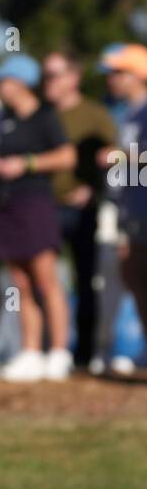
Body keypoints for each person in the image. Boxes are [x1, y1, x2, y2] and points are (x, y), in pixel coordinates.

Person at [0, 54, 76, 382]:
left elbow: (67, 156)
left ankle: (60, 351)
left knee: (46, 279)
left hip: (36, 203)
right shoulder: (6, 119)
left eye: (4, 80)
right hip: (8, 205)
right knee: (20, 282)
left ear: (21, 82)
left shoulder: (45, 116)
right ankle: (32, 350)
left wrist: (27, 164)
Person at [42, 51, 117, 370]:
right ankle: (47, 349)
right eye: (45, 76)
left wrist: (93, 189)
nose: (48, 83)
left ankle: (85, 353)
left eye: (54, 75)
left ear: (73, 77)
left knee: (87, 279)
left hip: (84, 209)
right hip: (44, 208)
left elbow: (116, 160)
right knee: (41, 280)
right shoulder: (42, 115)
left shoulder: (95, 114)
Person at [97, 45, 147, 350]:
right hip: (133, 211)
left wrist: (119, 156)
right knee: (136, 279)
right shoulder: (125, 114)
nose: (111, 79)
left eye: (118, 72)